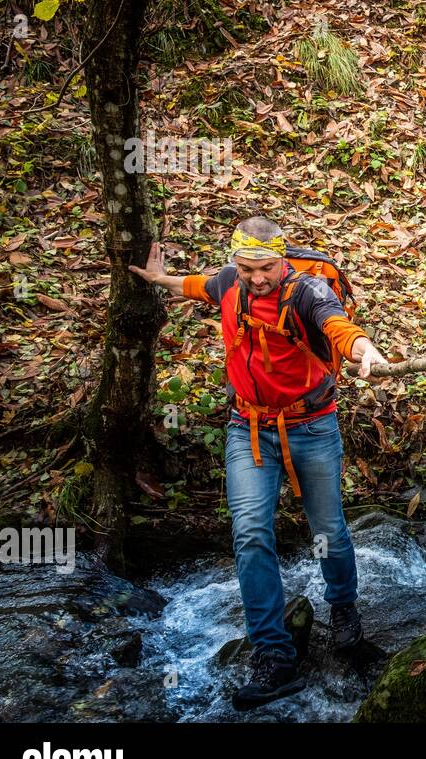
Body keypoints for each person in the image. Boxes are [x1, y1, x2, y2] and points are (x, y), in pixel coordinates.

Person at [130, 216, 389, 709]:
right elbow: (201, 285)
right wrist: (161, 280)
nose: (257, 278)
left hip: (311, 427)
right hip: (246, 428)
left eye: (267, 267)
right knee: (250, 533)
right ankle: (273, 654)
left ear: (282, 259)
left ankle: (344, 615)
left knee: (328, 529)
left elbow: (337, 325)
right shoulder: (231, 282)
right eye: (248, 268)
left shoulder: (307, 291)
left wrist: (363, 347)